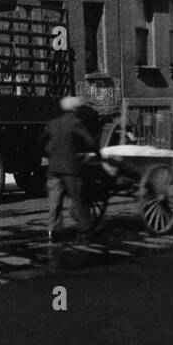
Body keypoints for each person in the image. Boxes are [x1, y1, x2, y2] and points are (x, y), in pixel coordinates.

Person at [44, 95, 100, 243]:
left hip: (53, 168)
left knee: (54, 200)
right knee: (78, 198)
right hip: (70, 168)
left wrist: (49, 152)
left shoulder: (53, 123)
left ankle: (53, 230)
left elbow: (42, 140)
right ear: (75, 109)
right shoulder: (76, 123)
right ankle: (86, 228)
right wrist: (97, 153)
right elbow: (90, 141)